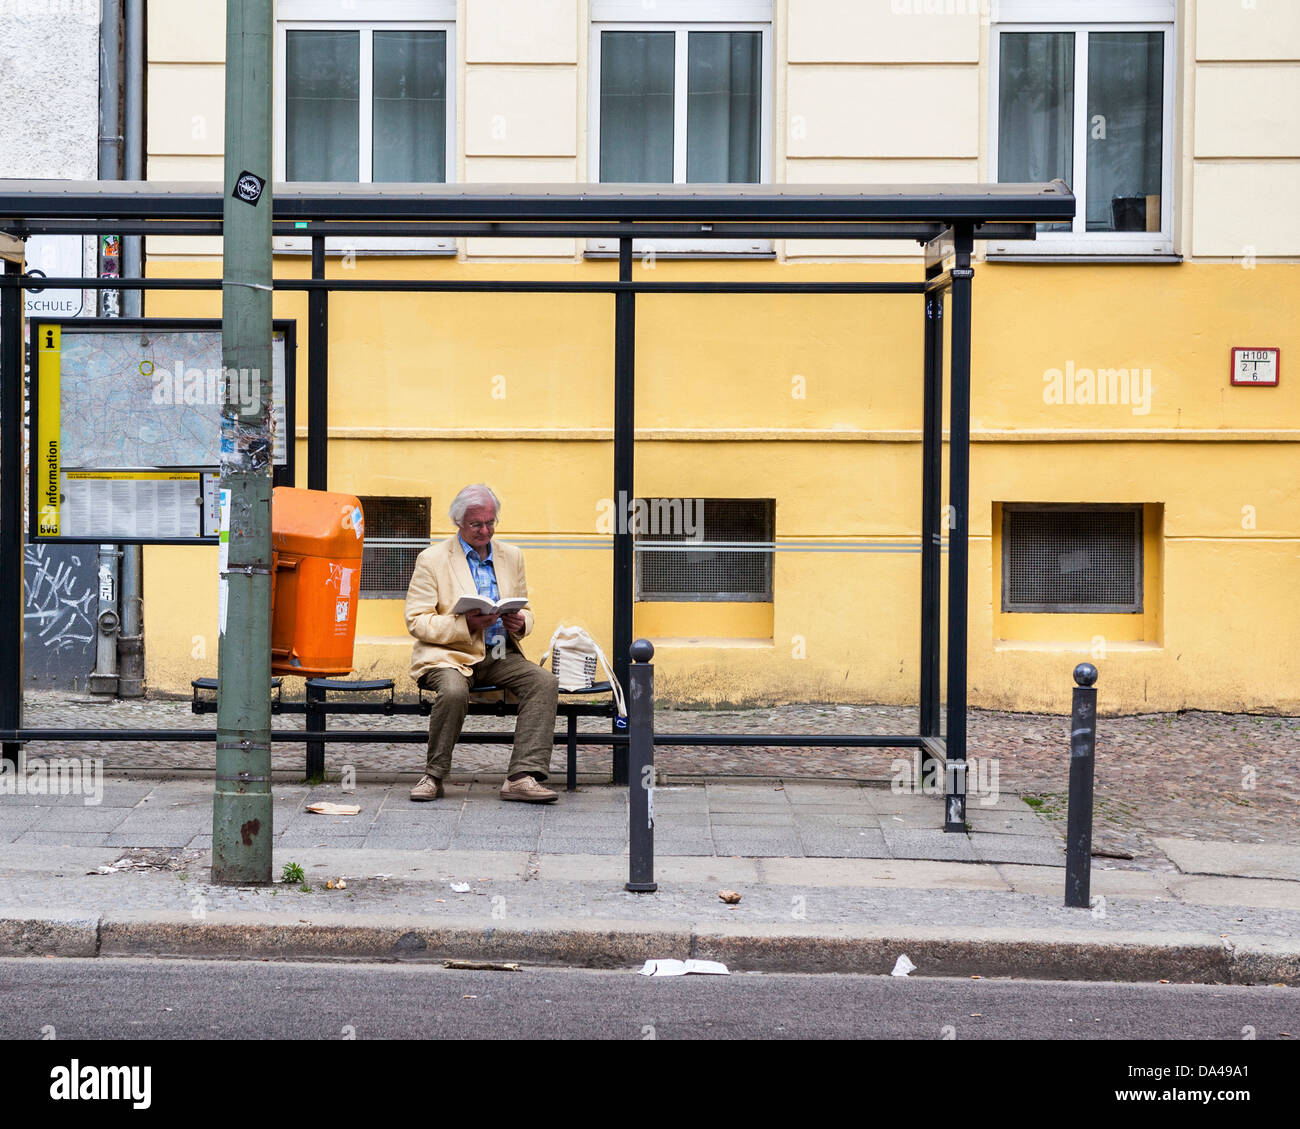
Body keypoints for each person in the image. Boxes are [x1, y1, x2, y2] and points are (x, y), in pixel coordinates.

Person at [404, 484, 560, 803]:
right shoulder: (432, 559)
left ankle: (521, 776)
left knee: (543, 682)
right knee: (454, 691)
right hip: (449, 656)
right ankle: (433, 775)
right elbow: (416, 621)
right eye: (477, 524)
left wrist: (521, 622)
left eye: (491, 522)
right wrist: (465, 624)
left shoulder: (511, 556)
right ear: (458, 522)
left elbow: (525, 609)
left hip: (500, 653)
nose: (485, 530)